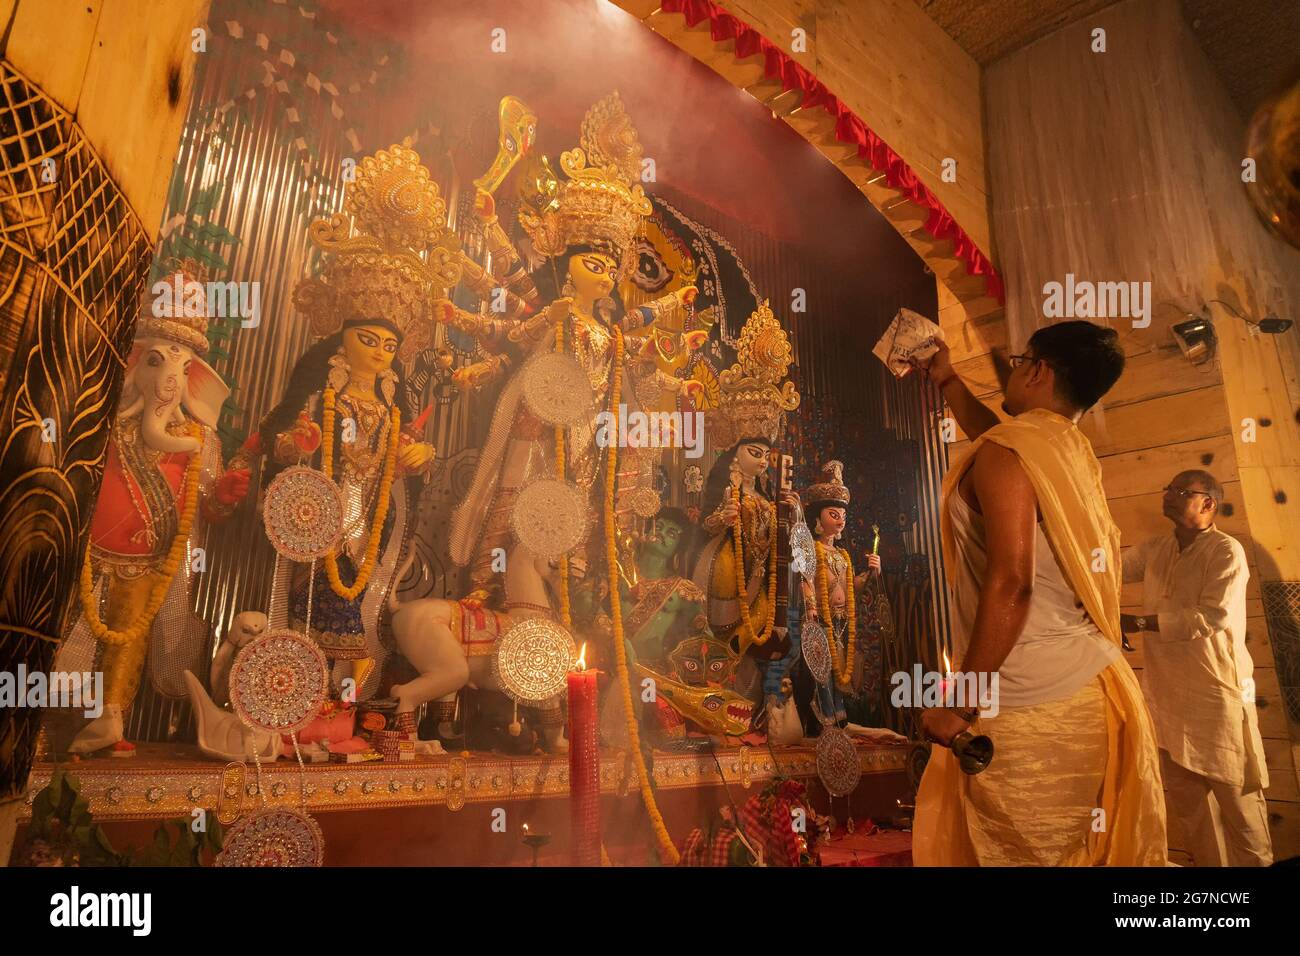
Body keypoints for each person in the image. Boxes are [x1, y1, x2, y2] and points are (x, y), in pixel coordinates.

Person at [911, 320, 1168, 866]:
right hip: (1087, 686)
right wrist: (950, 381)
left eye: (1019, 359)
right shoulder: (1066, 448)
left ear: (1037, 370)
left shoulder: (1011, 452)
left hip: (1032, 706)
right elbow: (999, 446)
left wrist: (960, 704)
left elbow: (1012, 583)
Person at [1121, 470, 1272, 865]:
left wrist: (1137, 623)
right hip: (1168, 699)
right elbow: (1107, 568)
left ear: (1208, 504)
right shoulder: (1157, 548)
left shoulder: (1226, 551)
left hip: (1216, 695)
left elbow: (1211, 617)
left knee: (1242, 810)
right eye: (1168, 488)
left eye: (1181, 491)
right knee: (1193, 813)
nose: (1169, 495)